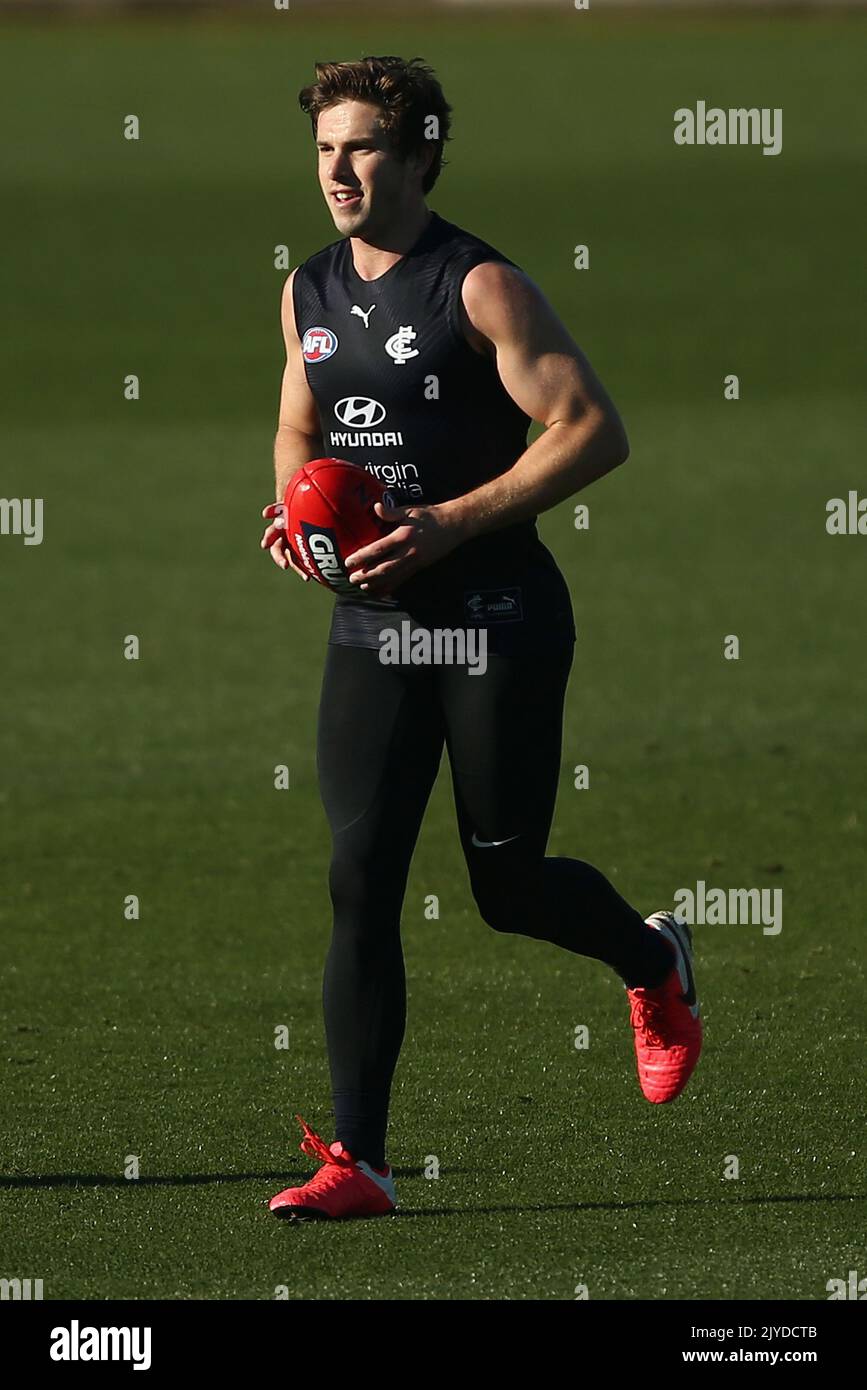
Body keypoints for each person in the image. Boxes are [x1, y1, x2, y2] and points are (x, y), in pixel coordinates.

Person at [260, 56, 701, 1221]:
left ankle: (652, 964)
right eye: (323, 150)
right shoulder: (304, 291)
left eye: (361, 148)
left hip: (492, 621)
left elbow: (593, 429)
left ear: (417, 155)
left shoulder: (480, 285)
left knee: (506, 884)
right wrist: (294, 515)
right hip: (371, 628)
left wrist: (446, 524)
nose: (338, 172)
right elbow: (301, 423)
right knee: (360, 882)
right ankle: (359, 1162)